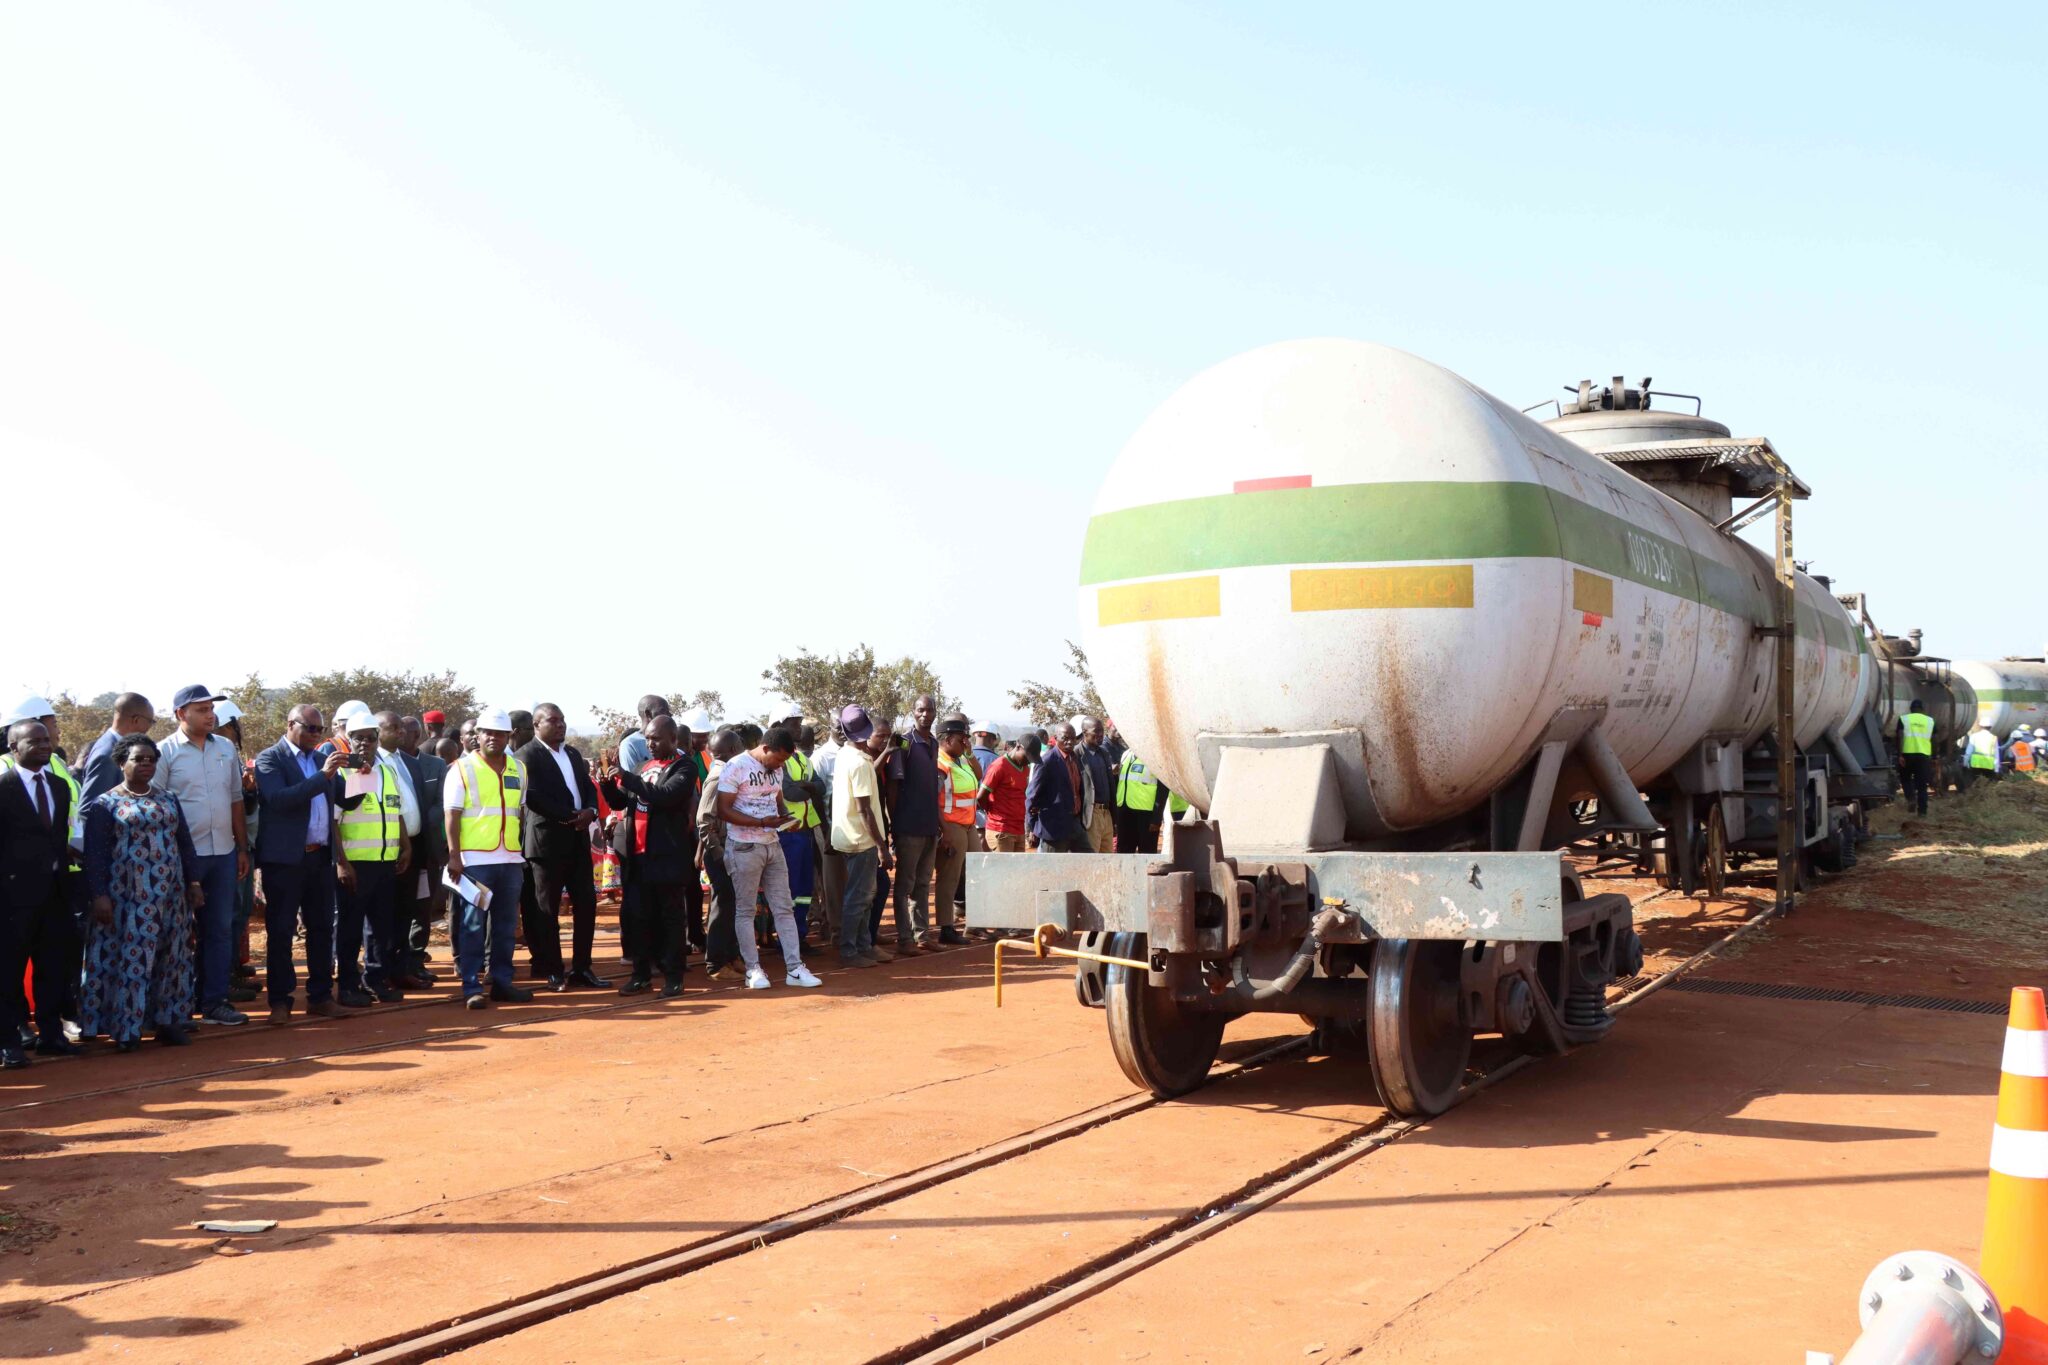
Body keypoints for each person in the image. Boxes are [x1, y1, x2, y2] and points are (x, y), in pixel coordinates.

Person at [79, 733, 206, 1052]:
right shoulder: (105, 804)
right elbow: (95, 854)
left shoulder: (168, 798)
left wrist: (194, 883)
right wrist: (99, 895)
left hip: (171, 896)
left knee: (173, 957)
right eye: (138, 759)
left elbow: (184, 842)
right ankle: (127, 1028)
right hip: (128, 897)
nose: (146, 764)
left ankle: (168, 1021)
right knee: (132, 958)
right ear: (122, 763)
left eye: (151, 759)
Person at [149, 685, 249, 1027]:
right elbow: (155, 806)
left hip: (223, 853)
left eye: (211, 709)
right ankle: (173, 1005)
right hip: (180, 859)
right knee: (176, 932)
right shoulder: (164, 752)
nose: (211, 715)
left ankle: (214, 1002)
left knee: (220, 930)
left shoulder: (225, 748)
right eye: (202, 710)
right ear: (181, 714)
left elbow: (236, 799)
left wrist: (241, 847)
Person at [254, 705, 352, 1024]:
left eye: (319, 730)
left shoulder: (320, 759)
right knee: (281, 930)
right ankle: (280, 1002)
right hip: (284, 860)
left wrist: (363, 778)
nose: (315, 735)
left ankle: (321, 997)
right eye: (310, 728)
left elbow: (345, 800)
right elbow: (280, 800)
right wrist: (324, 775)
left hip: (319, 857)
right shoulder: (270, 758)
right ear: (290, 725)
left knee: (321, 928)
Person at [0, 721, 82, 1066]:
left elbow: (56, 839)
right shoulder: (3, 787)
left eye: (46, 740)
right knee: (9, 972)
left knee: (52, 967)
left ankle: (51, 1036)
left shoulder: (59, 786)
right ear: (14, 747)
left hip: (55, 894)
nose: (45, 745)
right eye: (34, 741)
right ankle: (9, 1043)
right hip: (13, 899)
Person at [444, 709, 536, 1010]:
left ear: (509, 736)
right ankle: (471, 986)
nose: (493, 738)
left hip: (509, 860)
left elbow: (520, 811)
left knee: (505, 927)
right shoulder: (461, 769)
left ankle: (501, 982)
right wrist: (455, 856)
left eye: (500, 733)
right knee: (473, 926)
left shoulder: (519, 769)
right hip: (475, 862)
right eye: (487, 733)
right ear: (478, 736)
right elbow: (451, 815)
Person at [717, 726, 822, 990]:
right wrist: (762, 822)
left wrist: (787, 819)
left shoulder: (777, 769)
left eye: (784, 760)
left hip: (773, 845)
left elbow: (778, 800)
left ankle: (795, 968)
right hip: (743, 846)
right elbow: (723, 810)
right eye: (778, 759)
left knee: (784, 907)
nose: (781, 765)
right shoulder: (736, 767)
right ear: (765, 749)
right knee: (745, 910)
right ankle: (753, 970)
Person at [598, 715, 696, 997]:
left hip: (666, 857)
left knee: (670, 920)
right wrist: (607, 783)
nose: (650, 744)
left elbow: (665, 795)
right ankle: (640, 975)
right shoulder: (642, 766)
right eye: (648, 739)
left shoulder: (684, 766)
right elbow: (621, 801)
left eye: (656, 739)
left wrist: (626, 777)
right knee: (638, 919)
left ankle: (674, 978)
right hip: (637, 856)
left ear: (673, 740)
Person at [513, 703, 606, 991]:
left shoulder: (573, 753)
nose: (560, 725)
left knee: (586, 904)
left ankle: (582, 968)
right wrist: (571, 816)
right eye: (553, 721)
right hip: (546, 844)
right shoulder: (526, 755)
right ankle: (553, 969)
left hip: (577, 839)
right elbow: (533, 797)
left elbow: (587, 787)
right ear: (536, 725)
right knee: (546, 909)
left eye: (562, 720)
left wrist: (591, 809)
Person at [332, 713, 415, 1006]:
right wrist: (342, 863)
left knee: (381, 928)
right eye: (359, 738)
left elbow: (396, 811)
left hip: (386, 862)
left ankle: (376, 980)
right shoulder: (343, 772)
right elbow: (333, 822)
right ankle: (347, 986)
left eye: (370, 738)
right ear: (349, 740)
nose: (365, 743)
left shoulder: (387, 771)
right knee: (350, 929)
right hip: (355, 864)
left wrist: (406, 846)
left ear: (378, 739)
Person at [830, 705, 893, 968]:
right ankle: (849, 950)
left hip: (850, 835)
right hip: (861, 839)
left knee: (866, 895)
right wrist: (882, 846)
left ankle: (864, 945)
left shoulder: (846, 754)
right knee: (859, 898)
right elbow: (864, 809)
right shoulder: (859, 763)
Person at [212, 698, 262, 1000]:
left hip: (244, 845)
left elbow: (245, 805)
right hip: (226, 847)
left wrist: (249, 792)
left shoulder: (231, 756)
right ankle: (224, 978)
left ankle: (233, 969)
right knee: (227, 914)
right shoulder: (216, 757)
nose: (236, 730)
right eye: (232, 725)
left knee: (240, 912)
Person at [888, 694, 943, 955]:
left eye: (929, 710)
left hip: (929, 825)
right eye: (920, 710)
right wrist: (895, 822)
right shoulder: (904, 742)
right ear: (913, 712)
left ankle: (922, 935)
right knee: (904, 886)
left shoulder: (934, 743)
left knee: (922, 883)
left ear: (935, 712)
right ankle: (904, 938)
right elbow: (893, 786)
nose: (925, 714)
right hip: (908, 826)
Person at [772, 705, 826, 944]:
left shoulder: (801, 758)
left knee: (805, 888)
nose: (799, 728)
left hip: (805, 832)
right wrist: (810, 787)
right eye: (794, 723)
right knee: (790, 888)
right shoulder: (777, 760)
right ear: (778, 726)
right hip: (787, 833)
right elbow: (790, 793)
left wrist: (807, 786)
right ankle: (787, 939)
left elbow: (820, 787)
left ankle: (800, 935)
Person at [696, 727, 744, 980]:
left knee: (732, 903)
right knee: (722, 904)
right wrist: (718, 853)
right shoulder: (718, 777)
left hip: (729, 848)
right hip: (720, 851)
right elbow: (704, 820)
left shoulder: (728, 772)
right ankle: (715, 964)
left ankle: (731, 955)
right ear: (733, 750)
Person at [399, 716, 445, 984]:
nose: (406, 736)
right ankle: (398, 962)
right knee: (400, 907)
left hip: (427, 849)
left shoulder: (435, 765)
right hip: (399, 848)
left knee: (423, 907)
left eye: (411, 732)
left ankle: (416, 959)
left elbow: (441, 802)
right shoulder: (389, 764)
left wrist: (419, 820)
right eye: (400, 731)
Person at [931, 715, 979, 946]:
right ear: (948, 740)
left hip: (968, 824)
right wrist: (945, 832)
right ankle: (946, 927)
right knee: (949, 877)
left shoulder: (960, 759)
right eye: (962, 739)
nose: (965, 743)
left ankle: (977, 922)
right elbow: (933, 799)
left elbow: (979, 776)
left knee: (978, 872)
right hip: (951, 825)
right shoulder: (940, 763)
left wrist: (969, 754)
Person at [82, 693, 154, 806]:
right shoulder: (107, 755)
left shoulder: (116, 747)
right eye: (150, 721)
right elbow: (89, 807)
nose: (150, 727)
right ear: (136, 720)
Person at [1028, 722, 1092, 852]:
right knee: (1053, 864)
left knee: (1088, 859)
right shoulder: (1046, 761)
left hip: (1075, 824)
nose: (1070, 742)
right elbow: (1032, 796)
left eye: (1073, 738)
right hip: (1054, 829)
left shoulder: (1075, 758)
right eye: (1065, 738)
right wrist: (1032, 827)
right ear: (1056, 738)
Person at [810, 723, 844, 947]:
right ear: (829, 727)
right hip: (828, 827)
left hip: (851, 828)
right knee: (831, 881)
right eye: (837, 726)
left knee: (851, 880)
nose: (842, 731)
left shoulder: (854, 752)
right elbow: (816, 795)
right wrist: (824, 829)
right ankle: (833, 928)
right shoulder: (821, 757)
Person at [978, 737, 1032, 852]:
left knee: (1018, 864)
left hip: (1019, 829)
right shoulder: (999, 766)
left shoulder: (1025, 768)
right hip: (1001, 829)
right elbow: (981, 796)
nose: (1029, 761)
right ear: (1018, 747)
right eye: (1027, 756)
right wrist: (993, 813)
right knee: (1003, 864)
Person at [1071, 716, 1115, 853]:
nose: (1101, 734)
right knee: (1092, 858)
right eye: (1096, 731)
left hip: (1106, 814)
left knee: (1108, 858)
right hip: (1090, 815)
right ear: (1085, 732)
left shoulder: (1104, 753)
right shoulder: (1076, 754)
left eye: (1102, 730)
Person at [1113, 749, 1168, 854]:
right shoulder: (1126, 754)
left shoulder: (1155, 756)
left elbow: (1163, 788)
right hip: (1124, 812)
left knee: (1147, 852)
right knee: (1124, 852)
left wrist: (1157, 817)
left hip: (1146, 814)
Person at [617, 695, 671, 776]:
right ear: (648, 714)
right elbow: (630, 780)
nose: (669, 715)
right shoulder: (630, 744)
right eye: (664, 711)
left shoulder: (670, 741)